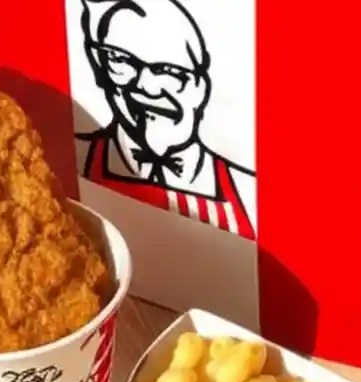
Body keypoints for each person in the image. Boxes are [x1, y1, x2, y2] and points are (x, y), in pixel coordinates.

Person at [75, 0, 256, 240]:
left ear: (200, 88)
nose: (147, 87)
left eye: (170, 72)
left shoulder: (246, 188)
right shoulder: (74, 158)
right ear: (100, 68)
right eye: (122, 61)